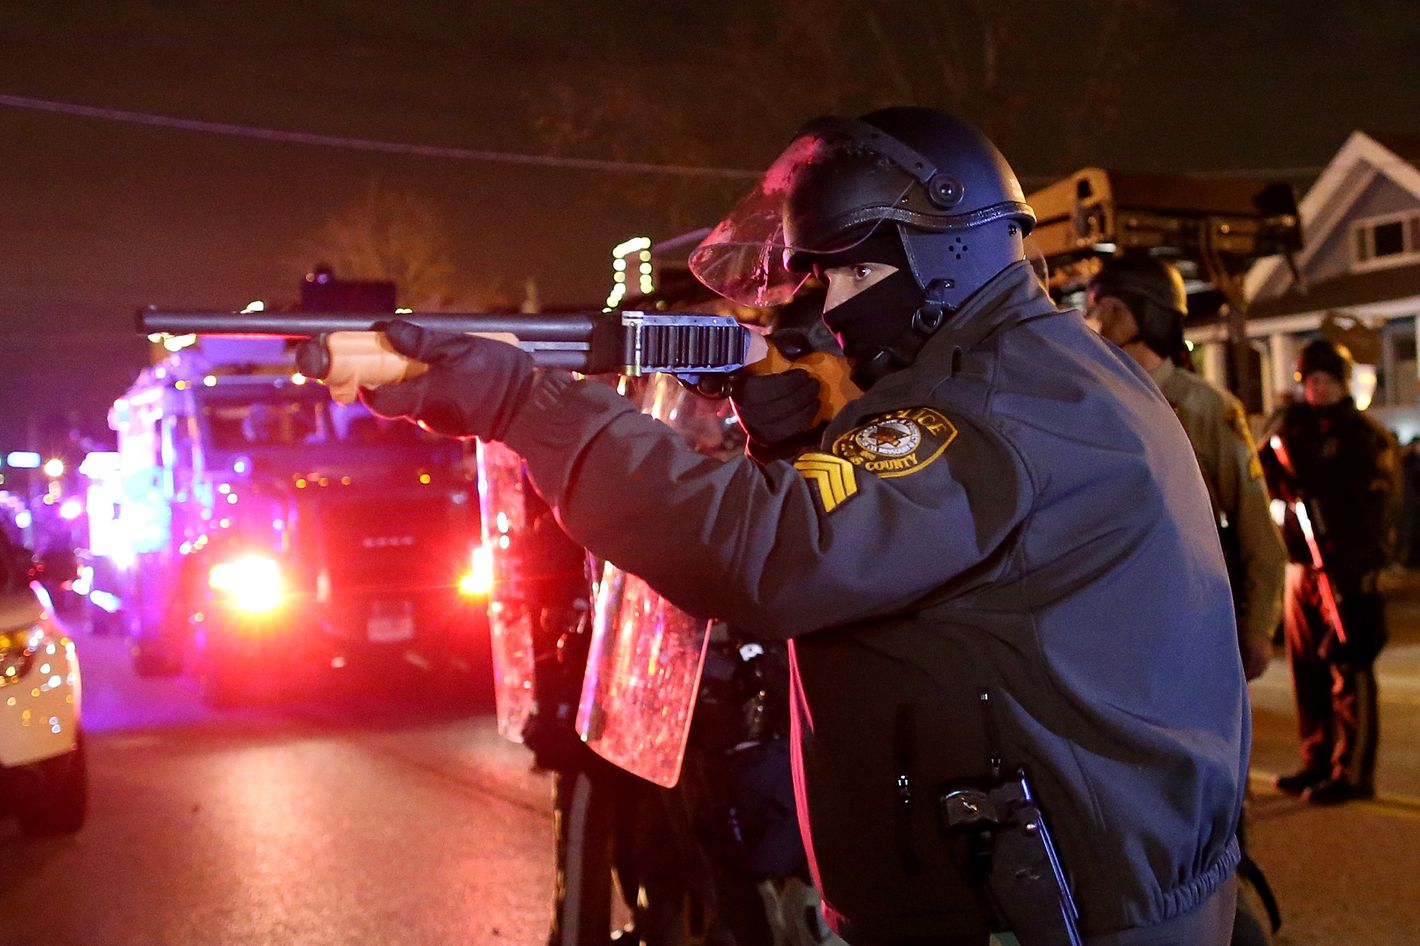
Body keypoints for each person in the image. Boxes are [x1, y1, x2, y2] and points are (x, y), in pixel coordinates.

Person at [316, 107, 1248, 945]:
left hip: (1052, 914)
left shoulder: (992, 405)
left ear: (940, 254)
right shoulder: (1042, 368)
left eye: (848, 274)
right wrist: (796, 429)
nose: (829, 309)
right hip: (1086, 889)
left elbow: (765, 554)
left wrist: (525, 404)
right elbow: (913, 538)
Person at [1084, 255, 1286, 681]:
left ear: (1139, 313)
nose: (1092, 319)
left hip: (1191, 617)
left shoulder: (1206, 409)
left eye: (1103, 307)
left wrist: (1258, 625)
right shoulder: (1089, 402)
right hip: (1111, 622)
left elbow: (1256, 529)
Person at [1261, 339, 1398, 806]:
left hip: (1344, 567)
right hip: (1302, 567)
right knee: (1308, 669)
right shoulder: (1293, 429)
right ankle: (1316, 759)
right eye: (1310, 381)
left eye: (1324, 381)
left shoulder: (1362, 436)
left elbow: (1376, 509)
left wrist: (1358, 567)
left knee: (1349, 663)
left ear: (1341, 383)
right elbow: (1262, 471)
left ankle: (1352, 770)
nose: (1316, 389)